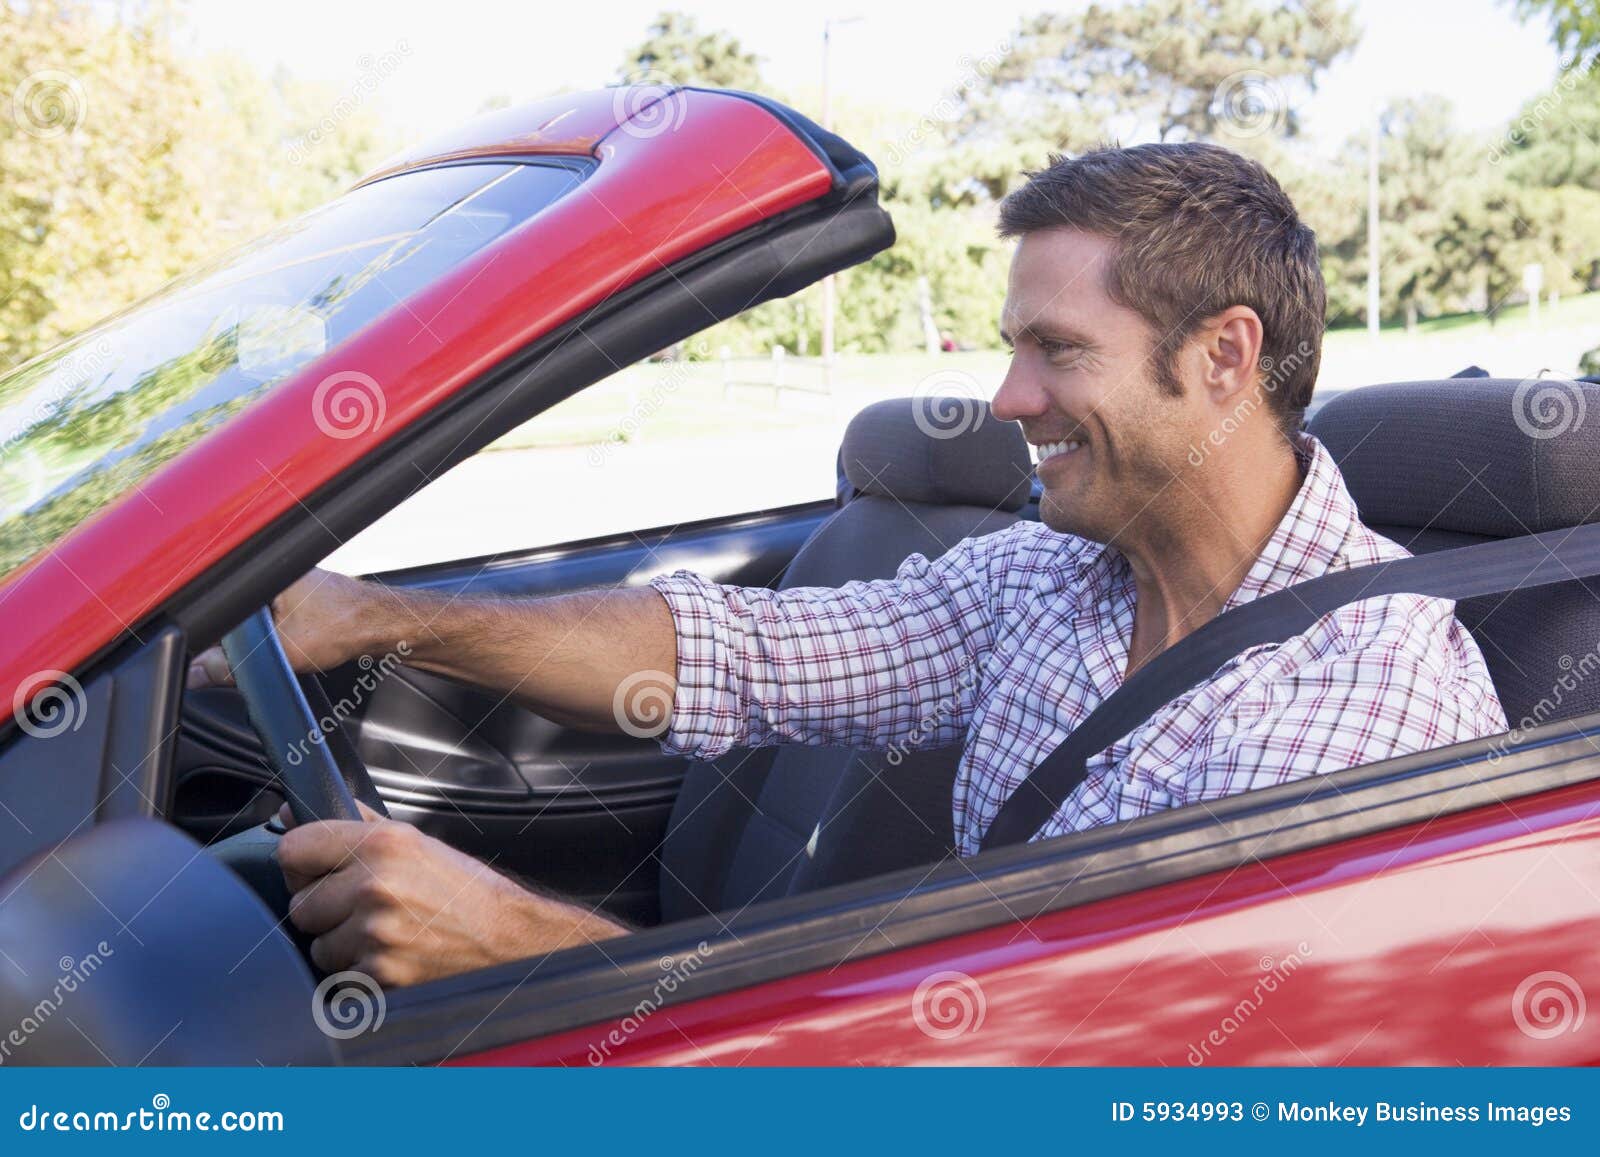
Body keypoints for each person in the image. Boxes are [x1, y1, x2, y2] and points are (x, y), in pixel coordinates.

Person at [189, 142, 1507, 987]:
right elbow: (738, 655)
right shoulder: (1048, 580)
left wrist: (532, 947)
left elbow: (1070, 1077)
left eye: (1058, 349)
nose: (1007, 397)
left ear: (1223, 358)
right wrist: (373, 616)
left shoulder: (1358, 706)